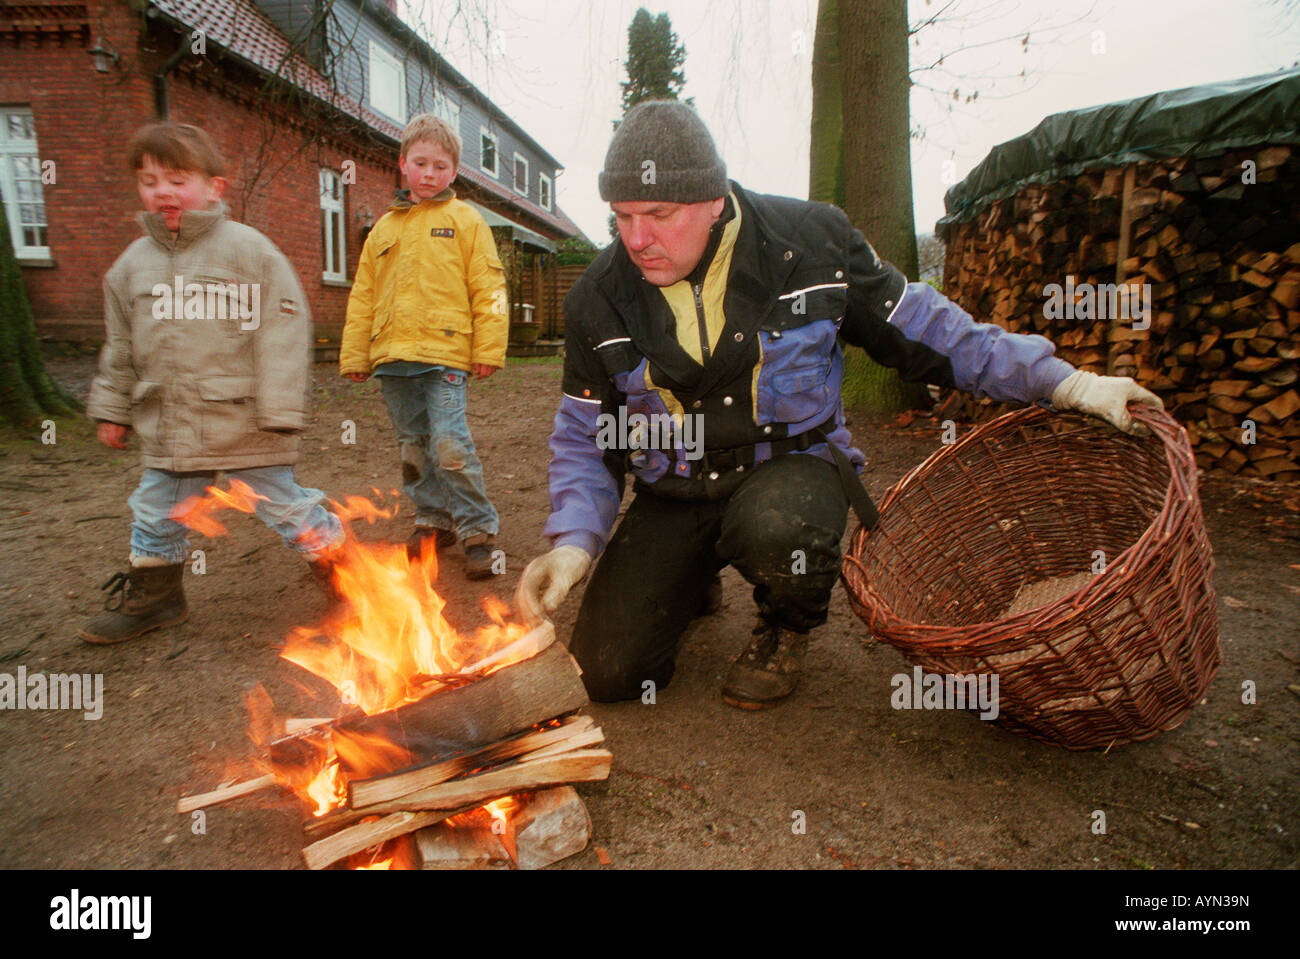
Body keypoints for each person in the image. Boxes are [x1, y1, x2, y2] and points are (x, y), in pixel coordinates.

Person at [515, 99, 1162, 709]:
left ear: (714, 199)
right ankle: (692, 578)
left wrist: (1062, 382)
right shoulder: (595, 299)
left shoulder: (812, 243)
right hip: (677, 487)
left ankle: (784, 623)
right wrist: (575, 540)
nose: (636, 238)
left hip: (787, 467)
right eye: (622, 216)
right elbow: (585, 436)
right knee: (607, 673)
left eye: (657, 214)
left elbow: (931, 330)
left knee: (780, 530)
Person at [80, 122, 345, 645]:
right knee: (155, 509)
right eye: (150, 180)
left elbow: (284, 332)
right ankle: (157, 598)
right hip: (171, 422)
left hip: (245, 415)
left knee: (285, 505)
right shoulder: (130, 267)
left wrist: (281, 410)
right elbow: (121, 345)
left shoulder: (249, 253)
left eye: (177, 179)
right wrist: (112, 409)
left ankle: (350, 577)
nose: (162, 191)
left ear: (214, 187)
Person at [340, 113, 508, 579]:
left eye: (440, 165)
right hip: (394, 361)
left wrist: (488, 347)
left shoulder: (465, 220)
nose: (430, 173)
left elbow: (489, 285)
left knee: (450, 443)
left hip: (446, 358)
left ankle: (477, 529)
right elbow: (363, 296)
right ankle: (433, 521)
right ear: (403, 165)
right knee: (413, 448)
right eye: (421, 163)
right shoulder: (383, 230)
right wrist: (356, 354)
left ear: (453, 172)